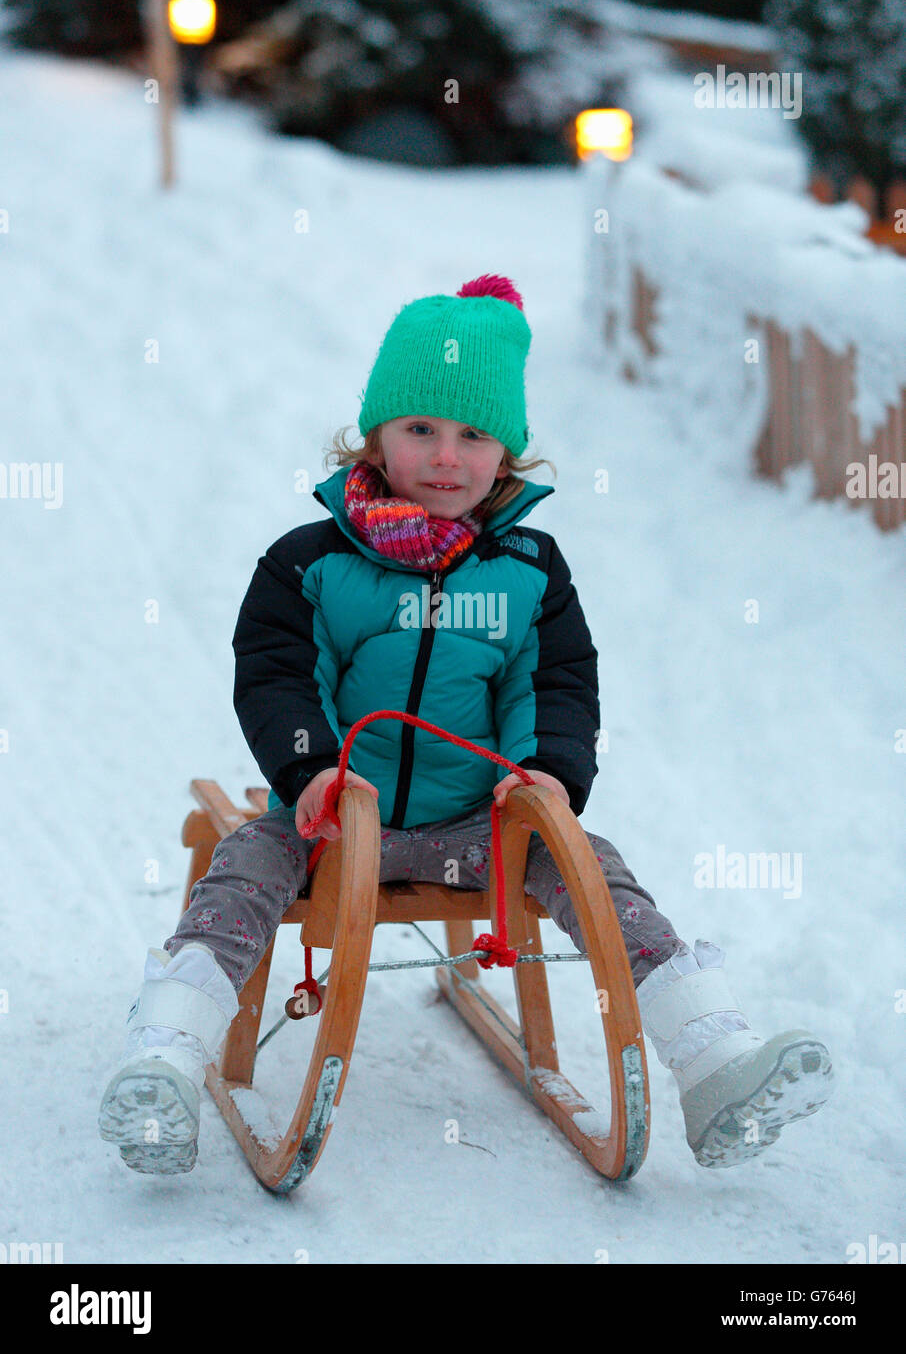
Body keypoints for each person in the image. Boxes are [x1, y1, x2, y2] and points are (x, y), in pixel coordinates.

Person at [97, 273, 833, 1177]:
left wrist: (547, 770)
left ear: (508, 454)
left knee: (598, 874)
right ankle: (164, 1059)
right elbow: (278, 675)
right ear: (375, 437)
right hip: (333, 820)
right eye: (420, 430)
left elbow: (554, 678)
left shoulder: (528, 570)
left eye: (474, 435)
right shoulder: (312, 562)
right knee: (240, 874)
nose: (447, 456)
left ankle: (713, 1055)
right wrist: (313, 769)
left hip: (476, 829)